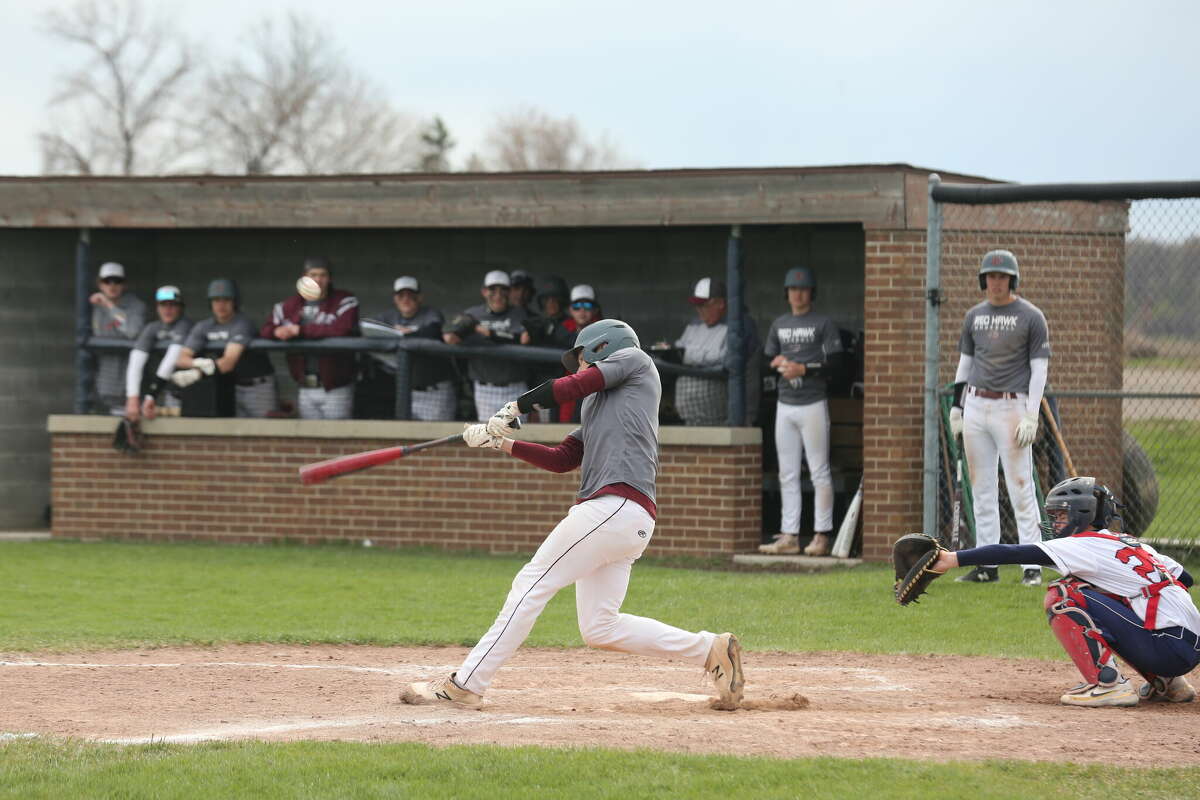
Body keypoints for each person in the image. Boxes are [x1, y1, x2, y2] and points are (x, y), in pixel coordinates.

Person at [400, 319, 745, 710]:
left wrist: (515, 406)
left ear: (602, 348)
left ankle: (466, 683)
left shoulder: (635, 360)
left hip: (613, 507)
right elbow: (564, 459)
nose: (579, 369)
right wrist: (502, 443)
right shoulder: (600, 404)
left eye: (582, 359)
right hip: (623, 518)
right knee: (600, 626)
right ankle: (710, 649)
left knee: (530, 584)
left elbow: (571, 386)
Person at [928, 477, 1199, 707]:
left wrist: (952, 559)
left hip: (1167, 648)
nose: (1055, 523)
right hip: (1187, 643)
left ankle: (1108, 685)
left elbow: (1013, 552)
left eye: (1060, 515)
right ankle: (1168, 682)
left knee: (1065, 593)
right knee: (1114, 594)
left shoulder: (1081, 543)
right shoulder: (1132, 544)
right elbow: (1183, 579)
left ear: (1082, 515)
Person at [948, 250, 1051, 586]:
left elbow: (1039, 370)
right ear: (983, 280)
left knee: (1021, 486)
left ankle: (1032, 565)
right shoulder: (973, 316)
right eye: (991, 277)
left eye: (1002, 277)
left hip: (1012, 407)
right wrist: (956, 407)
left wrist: (1032, 416)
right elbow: (965, 364)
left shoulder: (1031, 316)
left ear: (1012, 280)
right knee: (982, 488)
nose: (996, 282)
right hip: (976, 404)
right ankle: (986, 564)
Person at [759, 267, 843, 557]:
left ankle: (821, 535)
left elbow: (837, 364)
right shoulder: (779, 324)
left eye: (804, 289)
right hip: (785, 403)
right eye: (794, 289)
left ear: (812, 293)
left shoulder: (823, 323)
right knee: (787, 473)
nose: (798, 293)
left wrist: (804, 369)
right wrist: (777, 362)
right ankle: (790, 535)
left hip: (813, 402)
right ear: (787, 293)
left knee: (819, 471)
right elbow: (766, 359)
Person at [261, 256, 360, 420]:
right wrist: (277, 331)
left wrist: (300, 330)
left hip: (336, 388)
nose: (318, 279)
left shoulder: (344, 301)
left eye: (323, 275)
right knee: (311, 441)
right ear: (304, 278)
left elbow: (342, 328)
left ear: (330, 278)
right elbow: (266, 330)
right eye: (313, 275)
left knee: (336, 438)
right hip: (305, 387)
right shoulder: (289, 306)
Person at [173, 279, 278, 417]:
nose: (221, 305)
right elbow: (181, 358)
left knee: (265, 432)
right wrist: (198, 363)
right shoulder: (205, 326)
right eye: (216, 300)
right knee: (236, 432)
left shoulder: (243, 323)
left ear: (234, 302)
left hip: (259, 386)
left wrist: (197, 374)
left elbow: (228, 363)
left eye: (226, 300)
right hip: (233, 386)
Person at [443, 269, 529, 421]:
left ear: (509, 292)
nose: (498, 295)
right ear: (484, 292)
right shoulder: (473, 314)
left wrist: (484, 331)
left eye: (503, 290)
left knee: (517, 440)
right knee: (490, 439)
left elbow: (522, 339)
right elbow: (449, 338)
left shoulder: (519, 314)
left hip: (515, 386)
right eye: (492, 289)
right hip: (485, 388)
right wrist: (461, 328)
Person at [672, 278, 760, 427]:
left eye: (705, 306)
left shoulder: (741, 323)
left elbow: (727, 359)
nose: (700, 311)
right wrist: (701, 356)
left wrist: (690, 355)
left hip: (731, 413)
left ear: (721, 303)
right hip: (693, 413)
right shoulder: (695, 324)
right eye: (697, 306)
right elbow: (677, 351)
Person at [374, 276, 456, 420]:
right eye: (401, 295)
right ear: (395, 298)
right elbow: (367, 331)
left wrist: (407, 334)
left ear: (420, 297)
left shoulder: (430, 314)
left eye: (411, 295)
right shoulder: (388, 317)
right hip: (406, 392)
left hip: (435, 390)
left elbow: (434, 331)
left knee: (437, 438)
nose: (406, 299)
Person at [124, 285, 192, 421]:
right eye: (163, 305)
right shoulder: (152, 327)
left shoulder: (185, 325)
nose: (167, 309)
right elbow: (136, 359)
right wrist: (133, 398)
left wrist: (151, 395)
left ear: (180, 307)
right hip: (157, 393)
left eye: (172, 305)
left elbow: (172, 359)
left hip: (181, 392)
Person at [89, 262, 146, 416]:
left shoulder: (135, 305)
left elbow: (133, 332)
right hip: (102, 376)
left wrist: (108, 305)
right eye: (107, 281)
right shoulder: (94, 306)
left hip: (127, 376)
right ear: (100, 284)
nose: (112, 285)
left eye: (117, 281)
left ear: (124, 284)